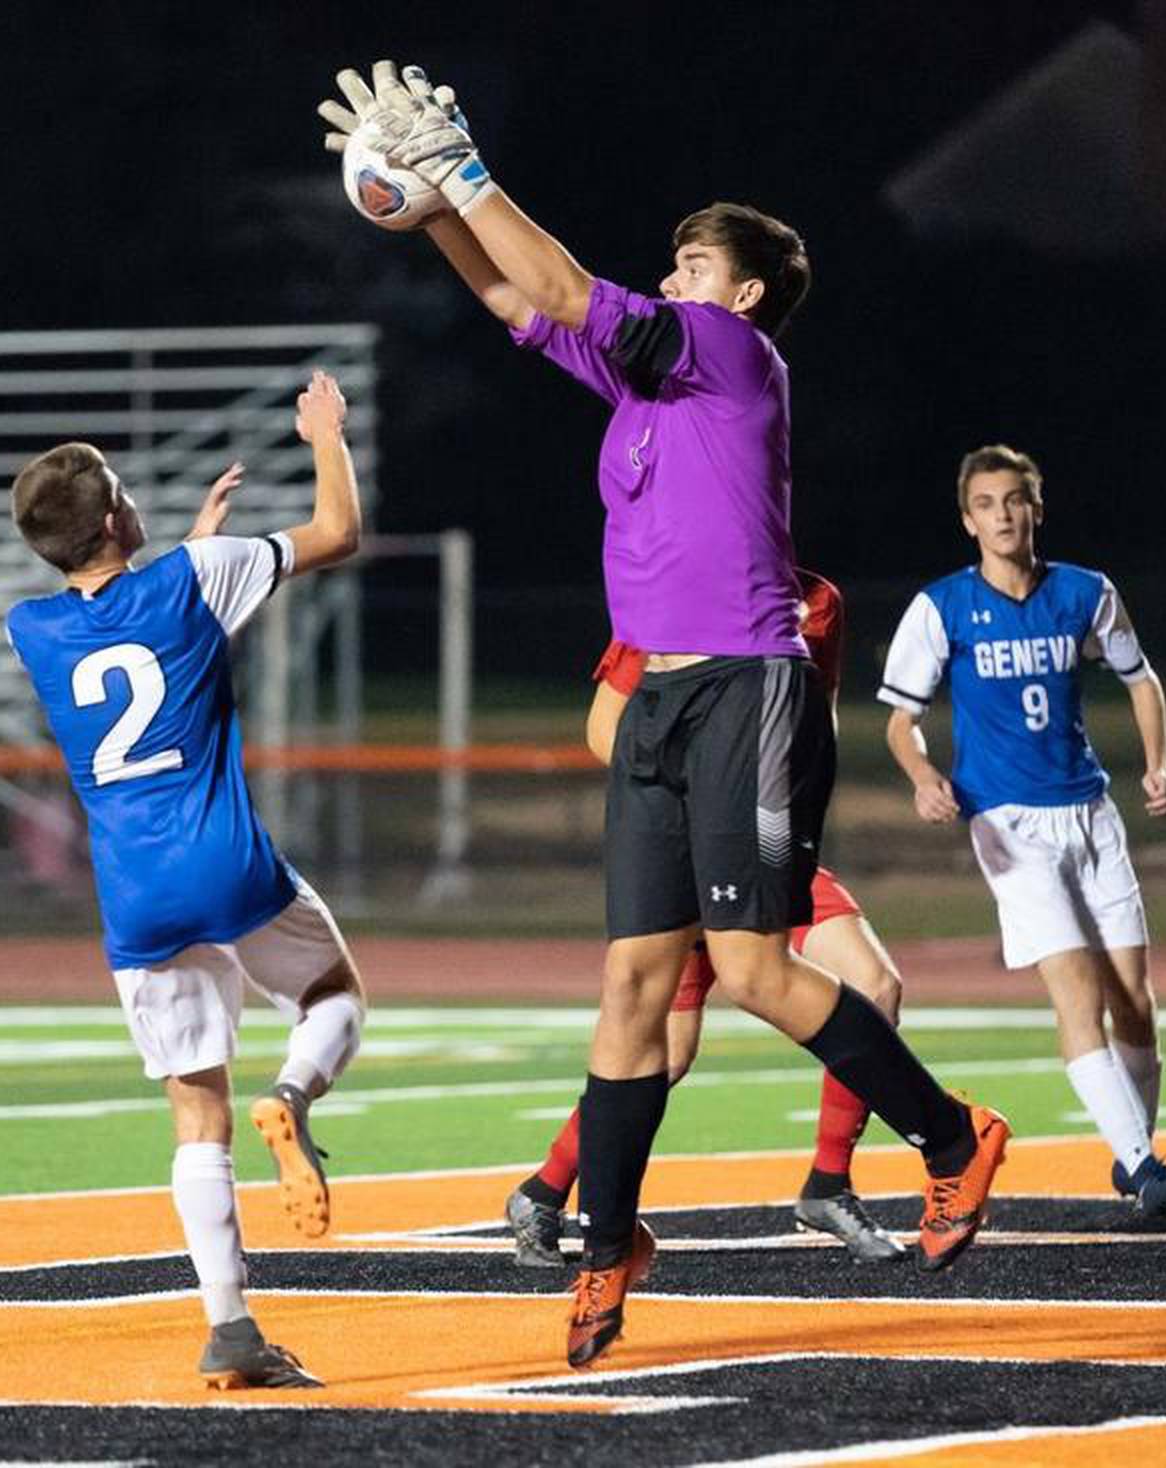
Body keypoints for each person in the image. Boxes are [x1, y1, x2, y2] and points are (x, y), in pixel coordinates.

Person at [319, 63, 1010, 1370]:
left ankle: (948, 1138)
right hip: (658, 697)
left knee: (748, 971)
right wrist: (432, 216)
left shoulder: (734, 353)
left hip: (749, 683)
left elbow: (572, 288)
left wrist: (462, 166)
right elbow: (527, 302)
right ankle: (607, 1247)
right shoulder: (647, 387)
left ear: (743, 293)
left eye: (692, 264)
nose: (674, 275)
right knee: (631, 988)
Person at [4, 371, 370, 1390]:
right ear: (120, 510)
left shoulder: (28, 627)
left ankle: (230, 1329)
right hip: (225, 858)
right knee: (333, 992)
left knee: (193, 1111)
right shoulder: (195, 575)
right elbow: (336, 531)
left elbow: (133, 630)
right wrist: (323, 434)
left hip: (134, 894)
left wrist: (189, 556)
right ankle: (295, 1094)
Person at [506, 570, 908, 1268]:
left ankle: (829, 1181)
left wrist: (793, 814)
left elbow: (818, 722)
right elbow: (606, 730)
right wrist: (698, 799)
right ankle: (544, 1190)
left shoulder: (820, 602)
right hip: (691, 840)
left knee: (875, 982)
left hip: (770, 838)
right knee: (666, 1050)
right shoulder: (678, 586)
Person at [879, 444, 1166, 1218]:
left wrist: (1157, 765)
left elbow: (1142, 679)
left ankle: (1138, 1162)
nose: (1003, 515)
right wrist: (926, 777)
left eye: (1015, 500)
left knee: (1135, 998)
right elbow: (902, 722)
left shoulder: (1085, 593)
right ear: (968, 521)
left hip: (1091, 814)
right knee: (1077, 996)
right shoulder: (942, 608)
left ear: (1038, 508)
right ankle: (1143, 1162)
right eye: (988, 504)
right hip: (1008, 823)